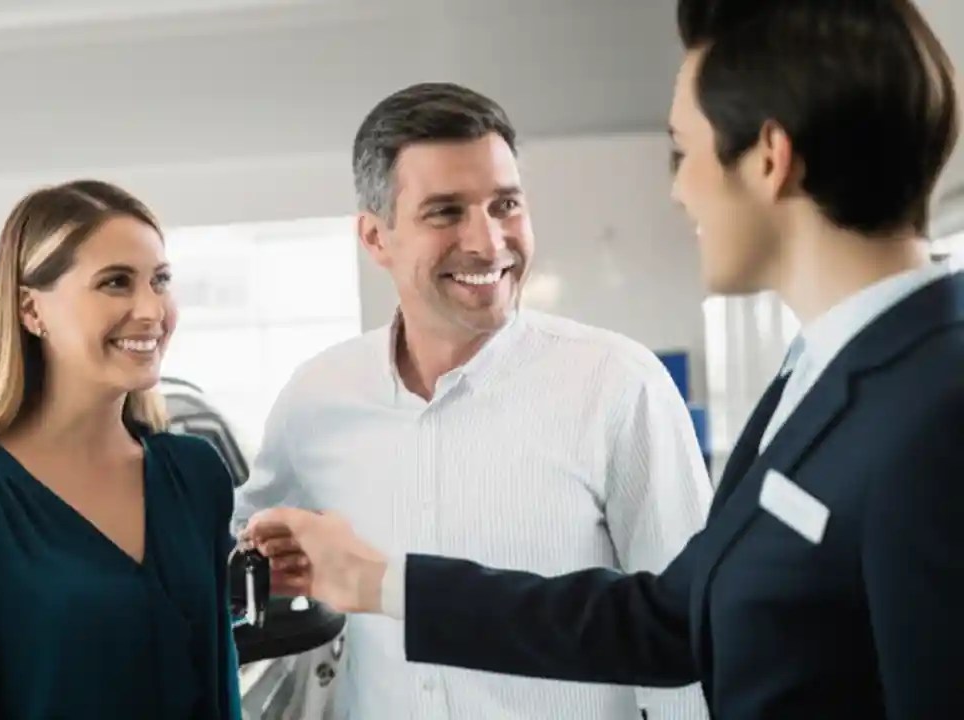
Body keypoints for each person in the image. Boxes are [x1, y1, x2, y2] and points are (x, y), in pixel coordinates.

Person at [244, 1, 964, 718]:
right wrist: (380, 582)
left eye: (684, 152)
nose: (678, 190)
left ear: (769, 160)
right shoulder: (812, 376)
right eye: (446, 210)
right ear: (376, 238)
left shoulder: (938, 405)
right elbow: (674, 620)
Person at [232, 82, 712, 719]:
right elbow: (236, 549)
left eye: (505, 204)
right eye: (445, 211)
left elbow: (691, 631)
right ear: (376, 238)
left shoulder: (620, 385)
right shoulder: (317, 397)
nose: (488, 242)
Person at [0, 180, 242, 719]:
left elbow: (219, 690)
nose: (152, 310)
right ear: (32, 310)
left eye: (160, 280)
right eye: (116, 283)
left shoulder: (194, 475)